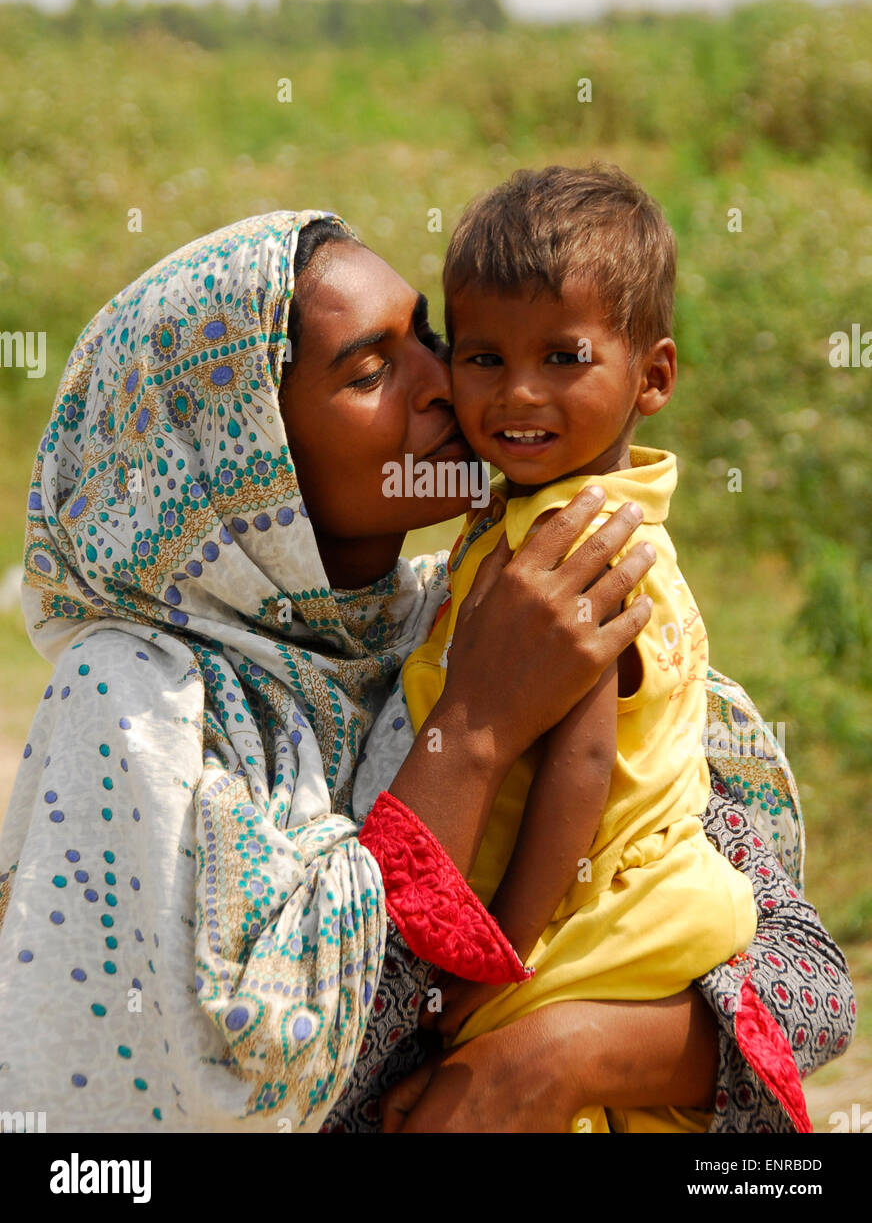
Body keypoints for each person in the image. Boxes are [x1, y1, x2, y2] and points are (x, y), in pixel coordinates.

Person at [0, 209, 853, 1135]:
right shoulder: (142, 699)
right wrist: (477, 728)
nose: (442, 384)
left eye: (430, 340)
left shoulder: (481, 614)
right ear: (235, 458)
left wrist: (559, 1054)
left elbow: (806, 989)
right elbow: (261, 1083)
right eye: (371, 371)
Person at [396, 164, 758, 1133]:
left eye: (562, 358)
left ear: (652, 376)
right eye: (481, 359)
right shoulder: (601, 512)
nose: (516, 393)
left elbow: (583, 765)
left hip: (585, 927)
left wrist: (491, 966)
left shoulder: (565, 544)